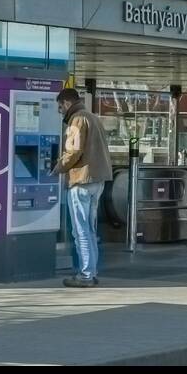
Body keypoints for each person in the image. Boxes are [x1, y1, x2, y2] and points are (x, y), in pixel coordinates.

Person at [53, 88, 113, 288]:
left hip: (82, 180)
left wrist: (58, 168)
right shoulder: (93, 117)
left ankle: (85, 274)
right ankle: (92, 271)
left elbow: (73, 151)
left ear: (67, 103)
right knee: (89, 229)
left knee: (80, 231)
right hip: (98, 180)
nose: (60, 110)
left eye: (60, 106)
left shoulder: (77, 119)